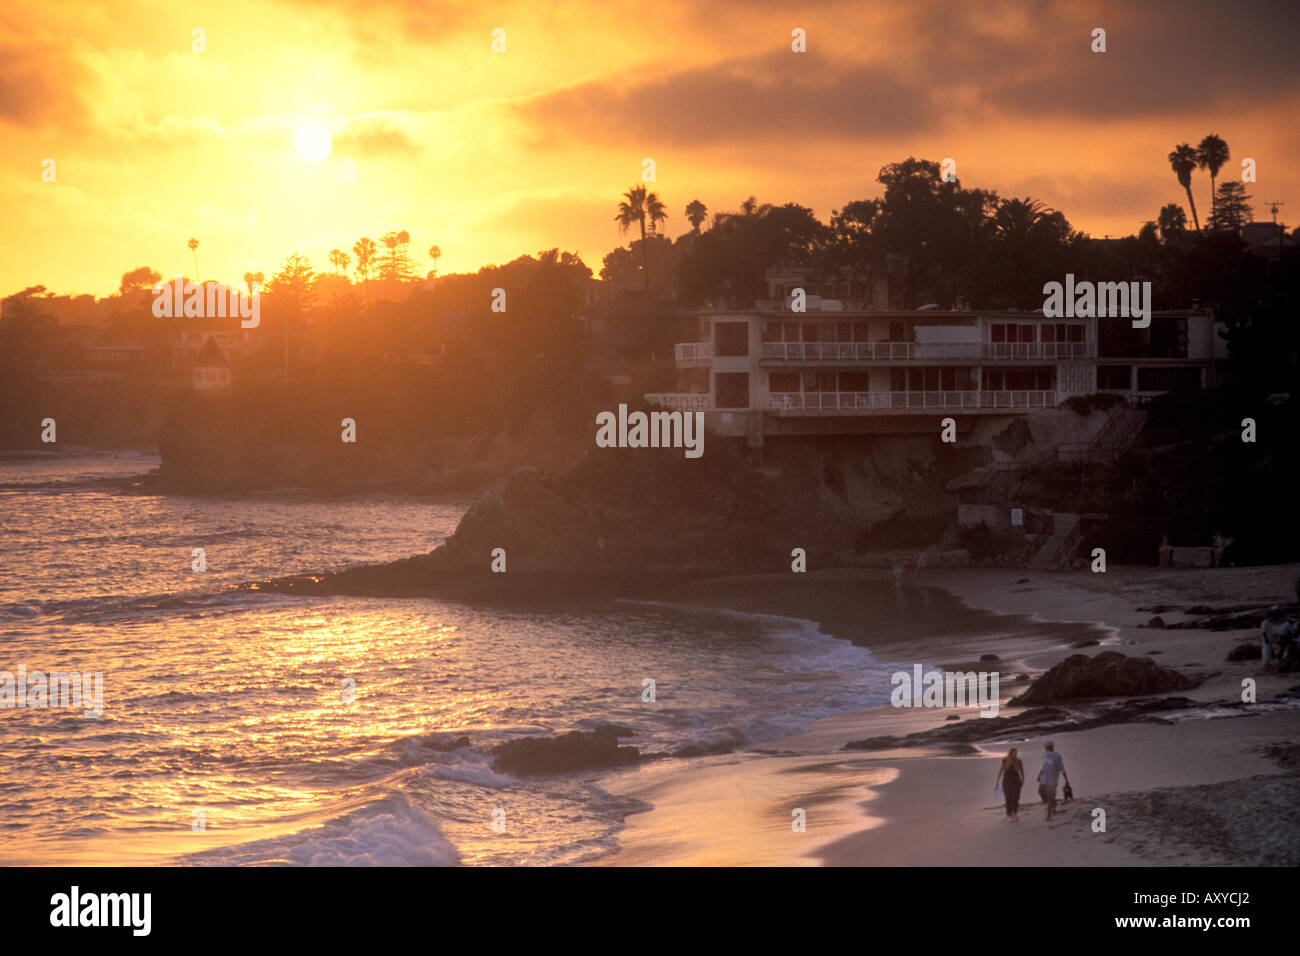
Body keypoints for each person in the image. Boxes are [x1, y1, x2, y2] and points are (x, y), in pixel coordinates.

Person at [1037, 741, 1069, 820]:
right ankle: (1054, 805)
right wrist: (1039, 775)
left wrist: (1066, 780)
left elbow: (1062, 768)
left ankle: (1049, 815)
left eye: (1046, 746)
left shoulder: (1057, 755)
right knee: (1041, 793)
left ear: (1050, 747)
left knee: (1051, 796)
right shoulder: (1045, 755)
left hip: (1052, 780)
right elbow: (1044, 766)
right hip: (1044, 779)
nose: (1045, 747)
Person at [994, 747, 1024, 820]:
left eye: (1016, 753)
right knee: (1008, 797)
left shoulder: (1019, 761)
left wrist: (1023, 780)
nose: (1015, 754)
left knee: (1015, 797)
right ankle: (1008, 814)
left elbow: (1022, 771)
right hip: (1006, 781)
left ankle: (1014, 813)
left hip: (1016, 781)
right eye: (1014, 753)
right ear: (1010, 753)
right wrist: (997, 782)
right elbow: (1000, 771)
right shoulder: (1004, 760)